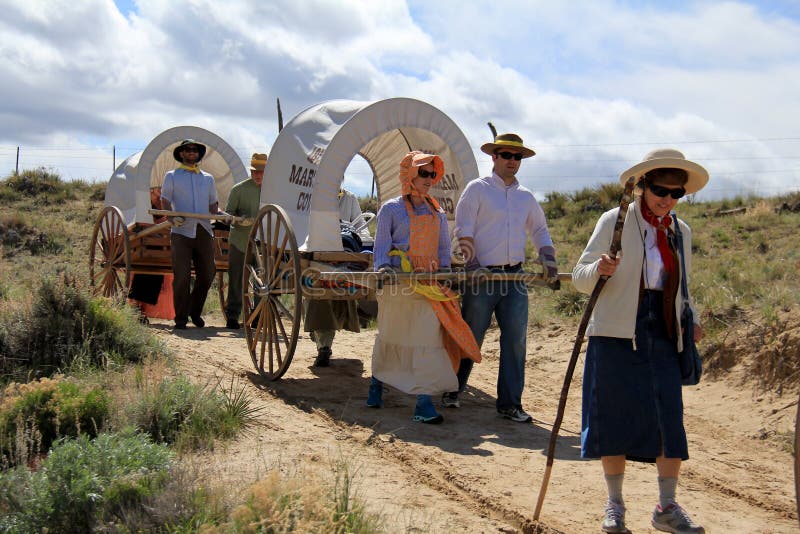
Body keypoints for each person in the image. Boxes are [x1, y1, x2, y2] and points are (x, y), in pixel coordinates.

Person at [572, 148, 707, 534]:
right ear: (643, 187)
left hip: (663, 333)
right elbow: (581, 278)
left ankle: (666, 507)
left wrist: (691, 320)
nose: (667, 199)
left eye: (676, 193)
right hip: (616, 333)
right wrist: (600, 268)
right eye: (661, 190)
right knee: (613, 421)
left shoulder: (681, 232)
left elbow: (684, 290)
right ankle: (614, 506)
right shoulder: (614, 221)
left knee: (668, 422)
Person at [446, 133, 558, 423]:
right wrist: (471, 264)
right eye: (506, 155)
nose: (512, 161)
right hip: (482, 276)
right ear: (494, 157)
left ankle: (510, 404)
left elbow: (540, 231)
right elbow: (464, 228)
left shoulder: (526, 197)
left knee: (516, 341)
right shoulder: (477, 190)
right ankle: (451, 388)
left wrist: (549, 260)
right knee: (470, 335)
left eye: (517, 157)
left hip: (514, 278)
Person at [367, 151, 481, 424]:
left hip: (428, 285)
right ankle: (376, 385)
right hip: (399, 283)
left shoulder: (437, 211)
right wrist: (384, 271)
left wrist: (443, 274)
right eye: (424, 173)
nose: (430, 179)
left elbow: (443, 250)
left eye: (433, 174)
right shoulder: (390, 209)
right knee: (392, 335)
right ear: (409, 175)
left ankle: (423, 402)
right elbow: (381, 248)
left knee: (428, 339)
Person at [160, 139, 222, 330]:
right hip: (181, 231)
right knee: (182, 276)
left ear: (198, 154)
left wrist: (223, 216)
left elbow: (213, 205)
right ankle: (180, 318)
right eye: (187, 150)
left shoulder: (208, 178)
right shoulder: (172, 176)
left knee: (208, 274)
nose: (191, 152)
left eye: (195, 150)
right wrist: (172, 218)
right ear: (181, 154)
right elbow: (165, 200)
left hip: (203, 229)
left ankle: (194, 312)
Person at [304, 188, 370, 367]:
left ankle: (322, 342)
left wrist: (363, 241)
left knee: (337, 294)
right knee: (319, 294)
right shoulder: (313, 195)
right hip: (318, 255)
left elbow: (362, 228)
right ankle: (323, 344)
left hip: (345, 257)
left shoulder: (349, 199)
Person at [224, 153, 267, 330]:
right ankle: (233, 317)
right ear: (251, 171)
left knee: (262, 279)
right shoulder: (239, 189)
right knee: (236, 280)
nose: (258, 175)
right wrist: (240, 219)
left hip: (262, 243)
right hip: (240, 240)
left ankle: (257, 316)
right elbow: (227, 215)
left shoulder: (273, 191)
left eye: (261, 172)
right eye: (255, 171)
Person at [128, 186, 174, 321]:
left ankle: (140, 308)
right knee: (149, 264)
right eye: (155, 189)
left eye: (160, 188)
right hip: (145, 245)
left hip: (163, 247)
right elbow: (136, 225)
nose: (159, 191)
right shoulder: (143, 207)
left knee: (156, 262)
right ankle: (137, 308)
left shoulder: (167, 206)